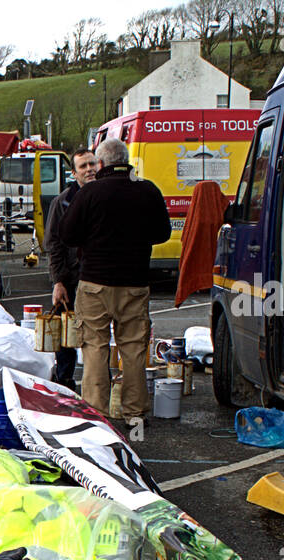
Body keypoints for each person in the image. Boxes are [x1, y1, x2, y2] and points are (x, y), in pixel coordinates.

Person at [59, 137, 171, 423]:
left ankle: (97, 414)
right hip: (135, 282)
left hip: (95, 282)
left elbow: (68, 235)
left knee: (95, 346)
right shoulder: (147, 191)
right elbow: (162, 234)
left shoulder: (90, 193)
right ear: (127, 160)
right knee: (133, 348)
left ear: (102, 163)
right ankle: (134, 412)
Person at [42, 146, 100, 390]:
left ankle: (99, 383)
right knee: (66, 331)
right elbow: (53, 245)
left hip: (100, 277)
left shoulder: (104, 195)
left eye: (92, 164)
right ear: (74, 173)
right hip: (72, 278)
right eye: (83, 166)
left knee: (98, 335)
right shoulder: (62, 202)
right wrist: (58, 281)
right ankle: (65, 380)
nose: (89, 170)